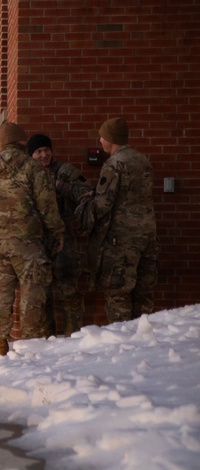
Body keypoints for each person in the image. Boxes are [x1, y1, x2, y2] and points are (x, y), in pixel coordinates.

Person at [0, 121, 64, 357]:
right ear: (22, 143)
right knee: (32, 294)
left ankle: (1, 343)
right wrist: (55, 233)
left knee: (1, 295)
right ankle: (29, 344)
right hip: (29, 243)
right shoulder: (33, 169)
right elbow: (48, 207)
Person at [75, 117, 158, 323]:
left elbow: (104, 204)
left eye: (102, 136)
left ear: (111, 139)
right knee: (143, 293)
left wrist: (86, 206)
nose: (100, 141)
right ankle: (144, 338)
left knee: (118, 293)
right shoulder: (142, 160)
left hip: (121, 239)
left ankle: (123, 343)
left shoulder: (114, 164)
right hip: (147, 235)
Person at [27, 133, 92, 336]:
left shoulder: (64, 171)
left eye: (46, 150)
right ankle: (46, 340)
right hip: (38, 241)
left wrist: (59, 187)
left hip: (64, 240)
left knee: (69, 291)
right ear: (31, 155)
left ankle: (74, 337)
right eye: (38, 151)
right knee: (42, 294)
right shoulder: (27, 174)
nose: (44, 155)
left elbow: (86, 192)